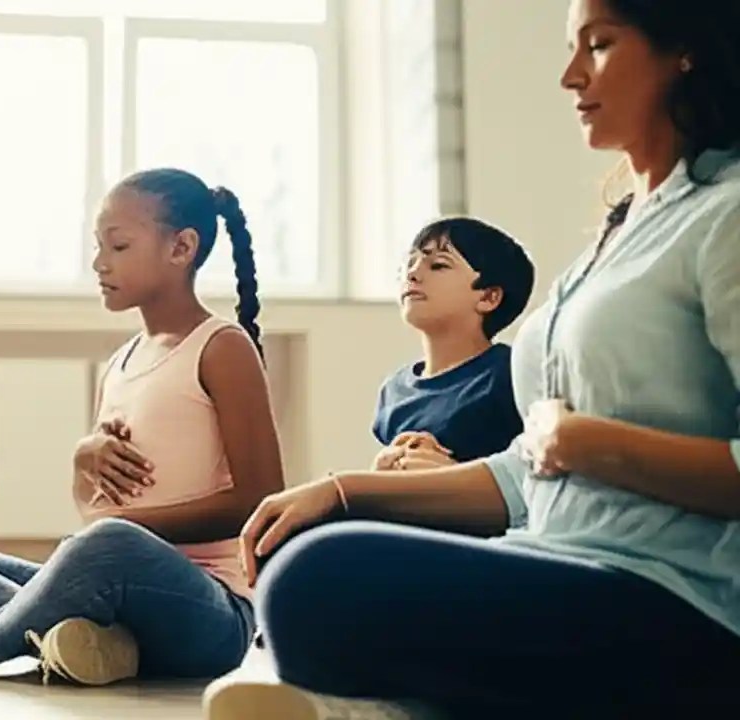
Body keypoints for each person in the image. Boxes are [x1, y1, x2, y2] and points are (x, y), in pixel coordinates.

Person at [207, 0, 740, 717]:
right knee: (308, 550)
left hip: (679, 596)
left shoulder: (726, 216)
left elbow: (566, 451)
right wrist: (340, 491)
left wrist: (592, 444)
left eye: (600, 45)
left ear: (684, 50)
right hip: (549, 549)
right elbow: (527, 477)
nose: (569, 75)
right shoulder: (617, 236)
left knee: (320, 580)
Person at [0, 168, 284, 686]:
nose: (99, 263)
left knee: (106, 545)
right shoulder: (121, 363)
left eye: (117, 246)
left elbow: (260, 499)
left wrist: (124, 531)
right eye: (98, 246)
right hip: (118, 591)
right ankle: (90, 644)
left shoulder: (222, 348)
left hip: (211, 613)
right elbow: (96, 512)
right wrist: (83, 460)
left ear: (181, 247)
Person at [371, 217, 533, 475]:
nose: (412, 274)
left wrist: (452, 475)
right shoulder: (393, 391)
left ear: (489, 297)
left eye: (438, 265)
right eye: (408, 264)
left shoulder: (512, 376)